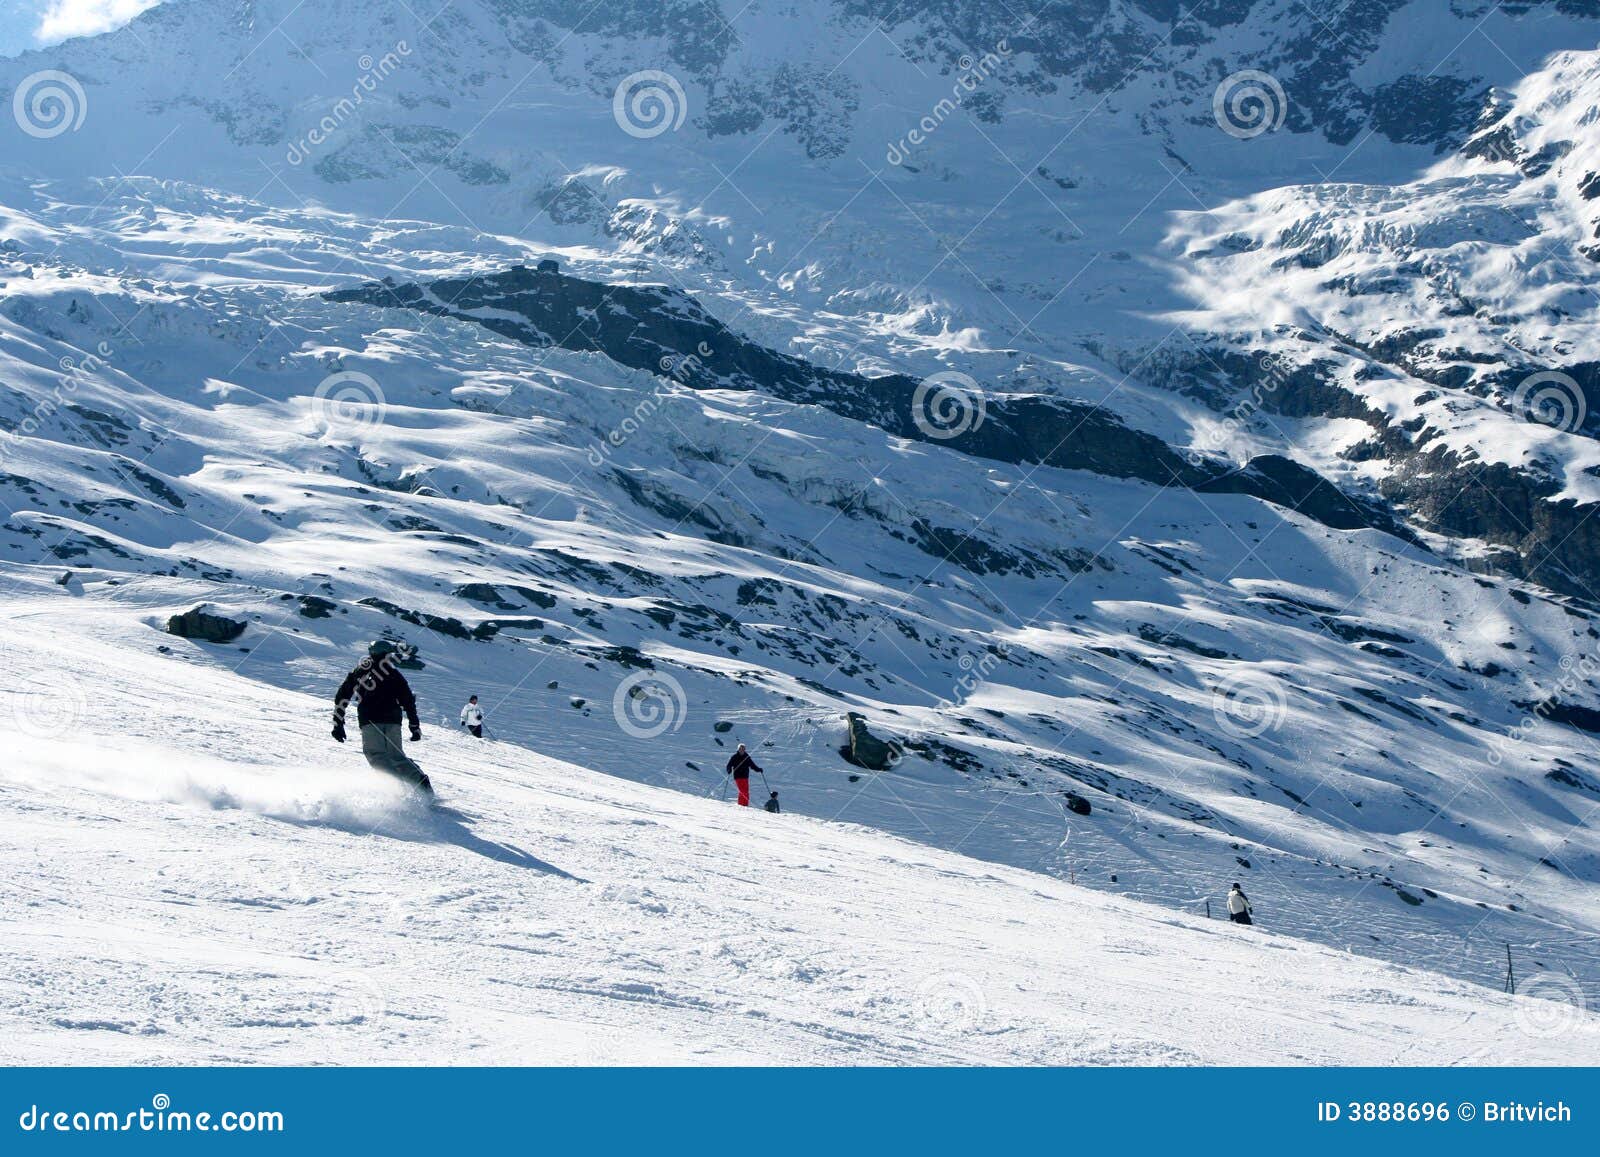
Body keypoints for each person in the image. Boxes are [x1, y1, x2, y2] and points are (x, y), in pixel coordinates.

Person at [332, 639, 431, 795]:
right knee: (395, 755)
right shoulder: (394, 674)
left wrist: (338, 724)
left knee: (376, 755)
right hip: (392, 720)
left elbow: (342, 696)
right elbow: (408, 700)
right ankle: (419, 781)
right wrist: (414, 725)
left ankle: (396, 788)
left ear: (371, 653)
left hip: (370, 720)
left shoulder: (360, 672)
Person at [726, 743, 761, 807]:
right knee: (742, 790)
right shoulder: (734, 756)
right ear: (738, 749)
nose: (742, 750)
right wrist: (729, 770)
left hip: (745, 776)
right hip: (738, 776)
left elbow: (752, 765)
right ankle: (740, 804)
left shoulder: (747, 757)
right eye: (740, 749)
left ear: (745, 750)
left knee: (746, 791)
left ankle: (745, 805)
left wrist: (758, 769)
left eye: (743, 749)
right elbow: (729, 765)